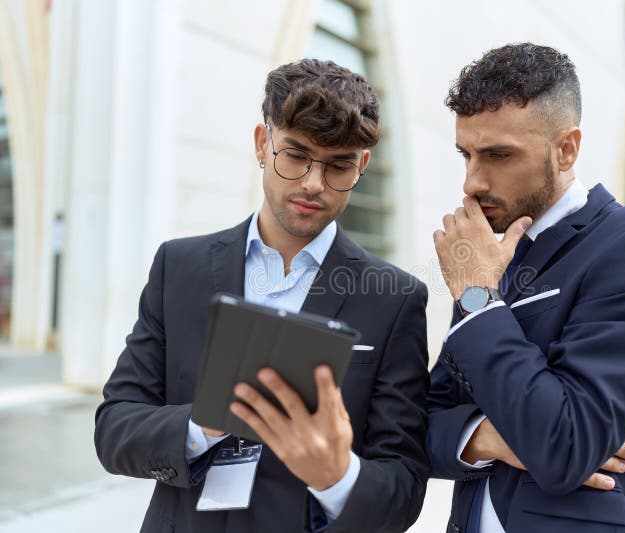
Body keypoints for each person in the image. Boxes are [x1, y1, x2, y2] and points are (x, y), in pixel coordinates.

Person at [95, 58, 430, 533]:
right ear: (262, 143)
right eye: (295, 155)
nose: (314, 184)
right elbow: (114, 429)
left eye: (338, 166)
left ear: (363, 166)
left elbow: (404, 487)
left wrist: (336, 476)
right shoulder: (178, 267)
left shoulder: (394, 298)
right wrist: (205, 425)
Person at [427, 43, 625, 532]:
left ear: (567, 148)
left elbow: (563, 445)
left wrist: (477, 298)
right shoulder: (487, 262)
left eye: (498, 155)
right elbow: (422, 421)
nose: (472, 181)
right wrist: (488, 435)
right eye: (466, 154)